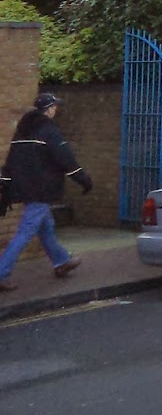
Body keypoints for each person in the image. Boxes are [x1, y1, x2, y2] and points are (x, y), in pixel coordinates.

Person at [0, 93, 93, 292]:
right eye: (54, 106)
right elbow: (66, 159)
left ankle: (62, 261)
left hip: (25, 189)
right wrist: (84, 180)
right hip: (42, 190)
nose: (56, 109)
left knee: (46, 227)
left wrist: (6, 185)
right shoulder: (49, 131)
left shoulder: (22, 132)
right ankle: (2, 273)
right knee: (25, 232)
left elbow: (10, 162)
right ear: (49, 109)